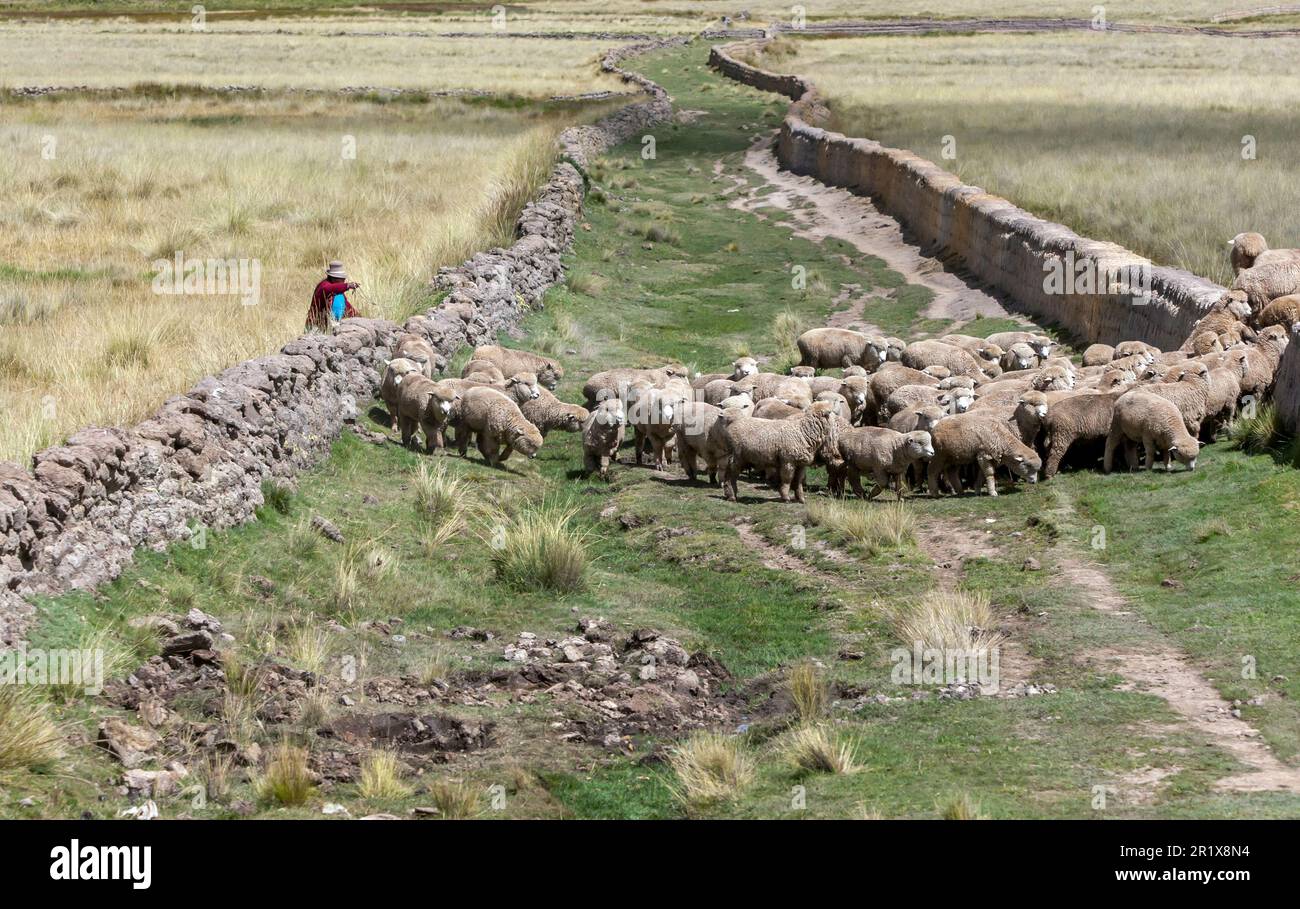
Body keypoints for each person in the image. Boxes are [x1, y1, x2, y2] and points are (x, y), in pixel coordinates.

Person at [306, 261, 360, 331]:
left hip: (325, 327)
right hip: (314, 326)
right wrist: (347, 285)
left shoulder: (336, 291)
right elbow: (328, 288)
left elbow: (346, 305)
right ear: (333, 278)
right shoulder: (324, 286)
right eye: (341, 278)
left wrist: (357, 316)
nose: (344, 280)